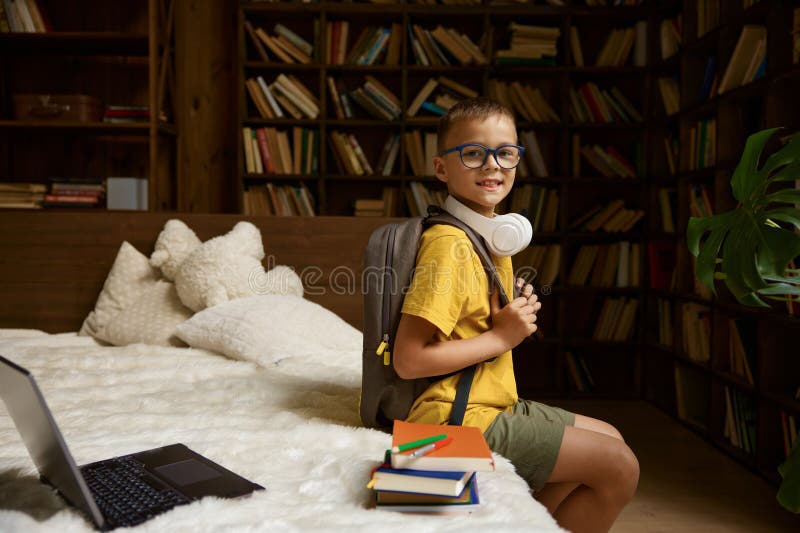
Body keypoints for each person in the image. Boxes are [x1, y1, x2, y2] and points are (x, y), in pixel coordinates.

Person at [392, 97, 639, 533]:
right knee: (619, 465)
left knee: (611, 437)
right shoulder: (450, 244)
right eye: (473, 153)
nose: (493, 165)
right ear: (442, 168)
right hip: (451, 415)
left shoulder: (487, 237)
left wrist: (504, 316)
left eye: (506, 152)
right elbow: (409, 359)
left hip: (488, 398)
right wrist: (503, 337)